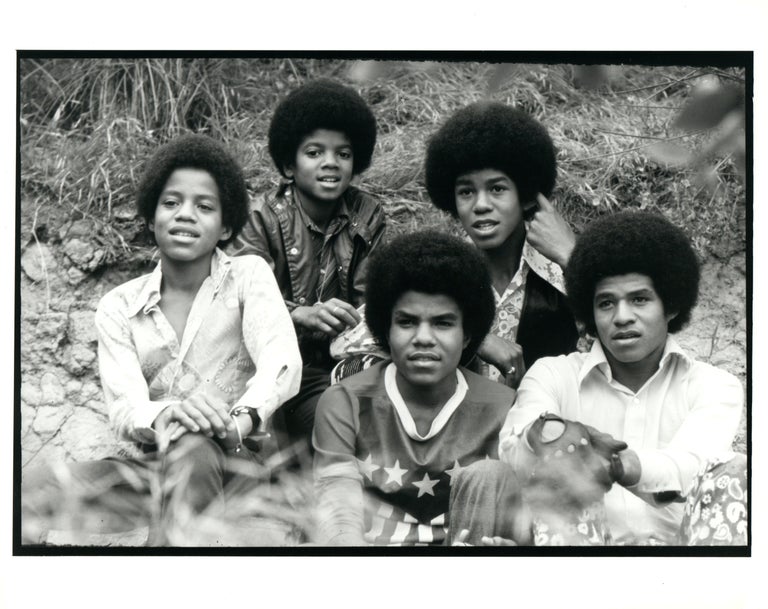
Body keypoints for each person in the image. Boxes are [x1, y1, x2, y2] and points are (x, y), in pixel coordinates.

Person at [22, 134, 302, 546]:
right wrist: (165, 417)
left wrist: (234, 425)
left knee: (194, 446)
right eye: (171, 203)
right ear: (151, 216)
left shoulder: (248, 275)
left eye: (204, 206)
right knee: (28, 488)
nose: (185, 214)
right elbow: (124, 406)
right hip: (154, 469)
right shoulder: (119, 306)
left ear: (226, 226)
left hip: (240, 467)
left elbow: (283, 361)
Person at [448, 211, 747, 546]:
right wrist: (547, 437)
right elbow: (513, 449)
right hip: (577, 564)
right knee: (562, 463)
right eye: (606, 303)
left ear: (672, 306)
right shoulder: (553, 375)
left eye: (639, 299)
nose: (621, 317)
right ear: (589, 312)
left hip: (678, 573)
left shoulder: (714, 386)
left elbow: (692, 466)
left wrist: (619, 465)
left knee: (738, 470)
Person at [312, 231, 514, 546]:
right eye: (406, 322)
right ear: (384, 330)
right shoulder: (344, 400)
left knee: (492, 474)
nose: (423, 337)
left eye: (443, 323)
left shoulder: (503, 407)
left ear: (467, 335)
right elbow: (337, 506)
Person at [228, 78, 385, 451]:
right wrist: (301, 315)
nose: (331, 163)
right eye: (314, 153)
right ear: (289, 163)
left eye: (343, 154)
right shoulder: (259, 217)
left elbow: (374, 297)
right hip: (281, 369)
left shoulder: (368, 212)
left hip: (350, 362)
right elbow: (242, 300)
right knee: (333, 425)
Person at [424, 101, 580, 388]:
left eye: (497, 189)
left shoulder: (562, 271)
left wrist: (571, 255)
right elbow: (357, 338)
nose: (481, 205)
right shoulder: (440, 272)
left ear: (528, 195)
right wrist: (472, 339)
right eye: (466, 191)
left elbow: (625, 342)